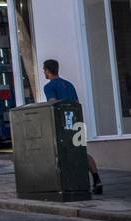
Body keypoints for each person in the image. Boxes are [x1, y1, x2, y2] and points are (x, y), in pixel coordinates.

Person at [42, 59, 103, 195]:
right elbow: (76, 102)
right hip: (77, 121)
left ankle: (69, 184)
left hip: (63, 124)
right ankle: (97, 180)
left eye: (44, 70)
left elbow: (53, 103)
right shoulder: (69, 84)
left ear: (47, 70)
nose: (43, 72)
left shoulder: (49, 87)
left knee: (62, 153)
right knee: (81, 151)